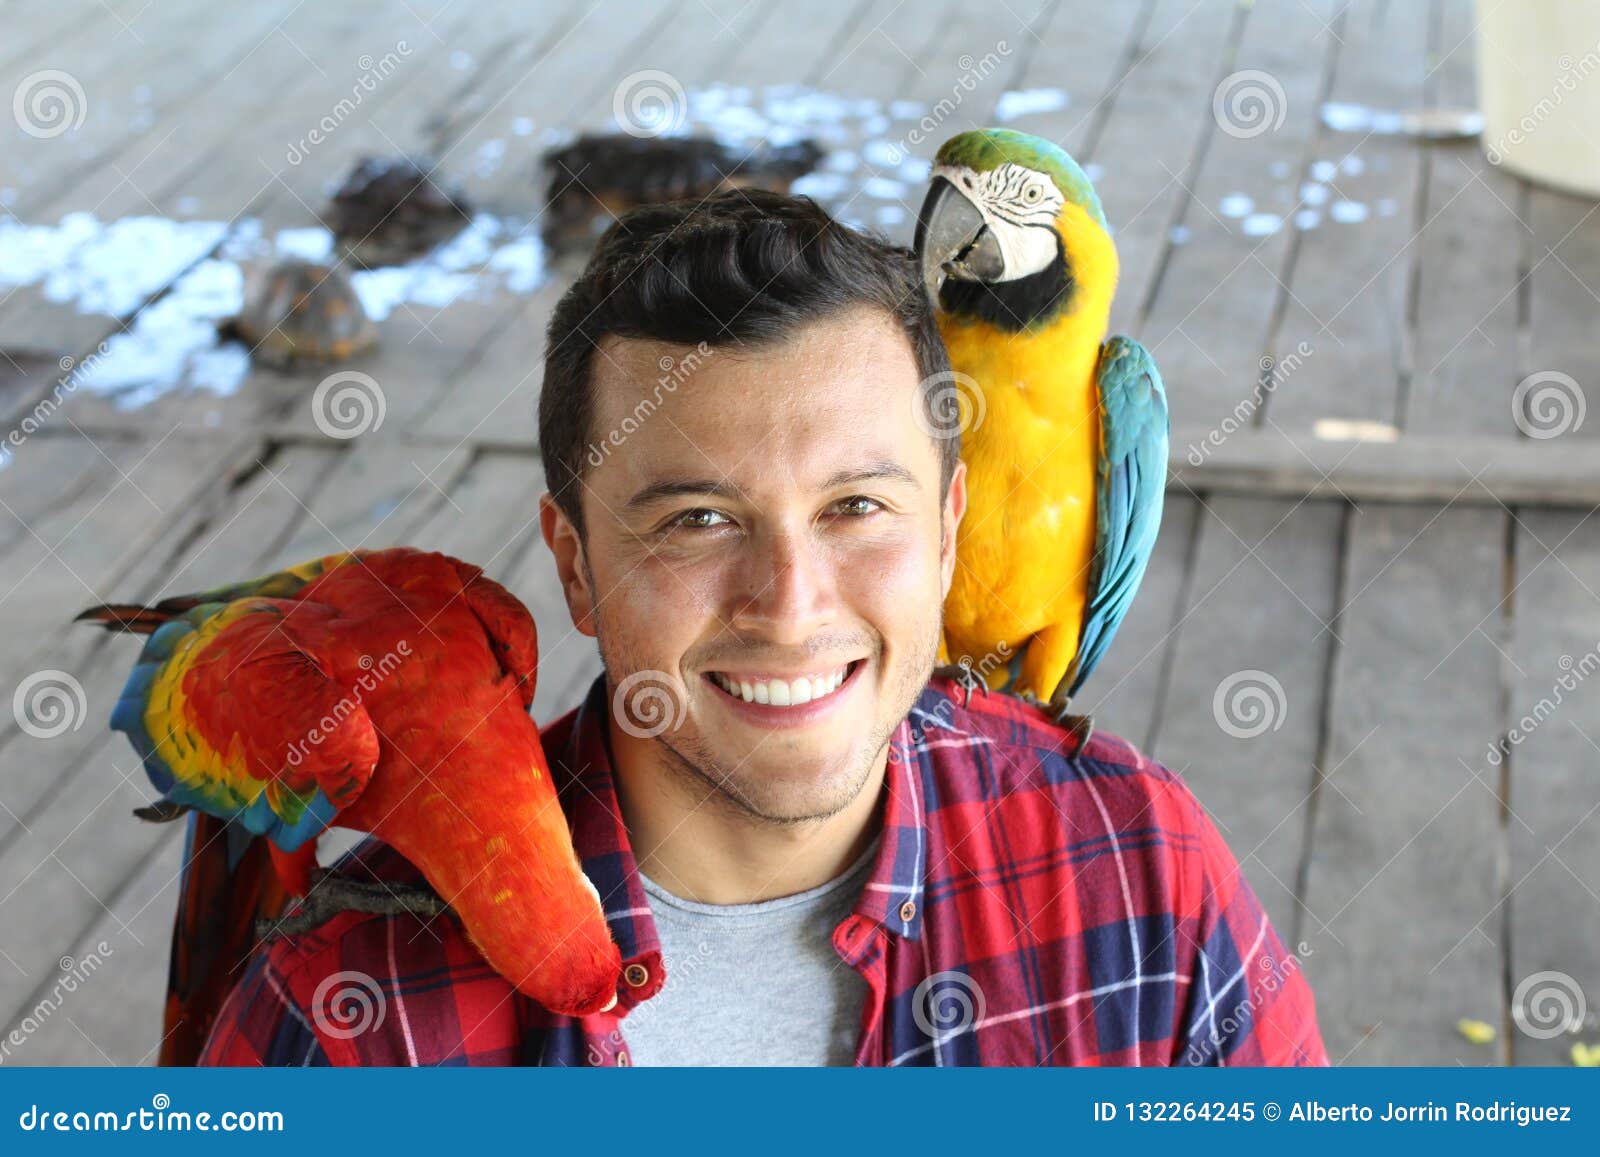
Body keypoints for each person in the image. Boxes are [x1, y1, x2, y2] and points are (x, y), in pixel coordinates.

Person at [200, 190, 1327, 1067]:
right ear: (573, 566)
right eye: (697, 519)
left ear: (946, 535)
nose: (790, 603)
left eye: (855, 508)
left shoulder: (1139, 872)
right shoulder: (349, 1014)